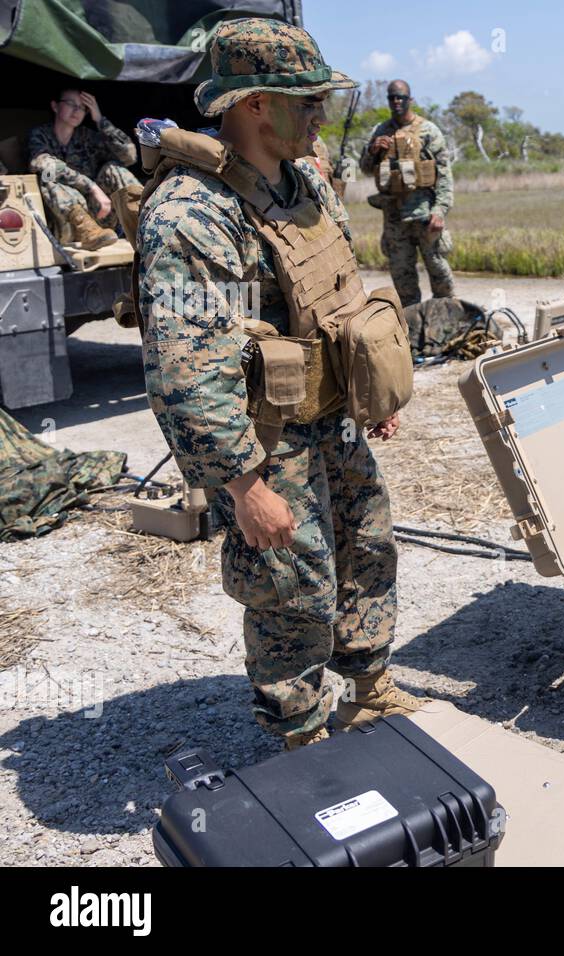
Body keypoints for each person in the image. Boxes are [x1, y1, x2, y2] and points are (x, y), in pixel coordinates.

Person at [136, 17, 423, 750]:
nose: (322, 114)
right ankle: (300, 730)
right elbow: (186, 366)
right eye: (307, 100)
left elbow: (339, 291)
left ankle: (367, 685)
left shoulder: (304, 182)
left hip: (334, 416)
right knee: (290, 586)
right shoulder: (193, 212)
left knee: (367, 544)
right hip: (267, 437)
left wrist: (369, 391)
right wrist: (242, 485)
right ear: (255, 103)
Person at [359, 79, 454, 307]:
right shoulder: (380, 131)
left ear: (410, 99)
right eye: (392, 98)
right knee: (401, 273)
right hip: (394, 215)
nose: (396, 102)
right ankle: (411, 321)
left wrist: (440, 210)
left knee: (437, 267)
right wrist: (372, 150)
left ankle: (447, 312)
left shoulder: (428, 130)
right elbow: (363, 168)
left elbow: (444, 174)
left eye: (401, 97)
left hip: (424, 213)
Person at [27, 89, 140, 250]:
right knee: (49, 176)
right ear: (55, 106)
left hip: (100, 216)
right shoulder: (40, 134)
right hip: (63, 221)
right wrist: (91, 186)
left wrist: (100, 120)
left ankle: (142, 224)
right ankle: (87, 229)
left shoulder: (87, 137)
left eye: (82, 107)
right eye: (71, 104)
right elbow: (46, 163)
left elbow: (129, 156)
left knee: (114, 169)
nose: (76, 110)